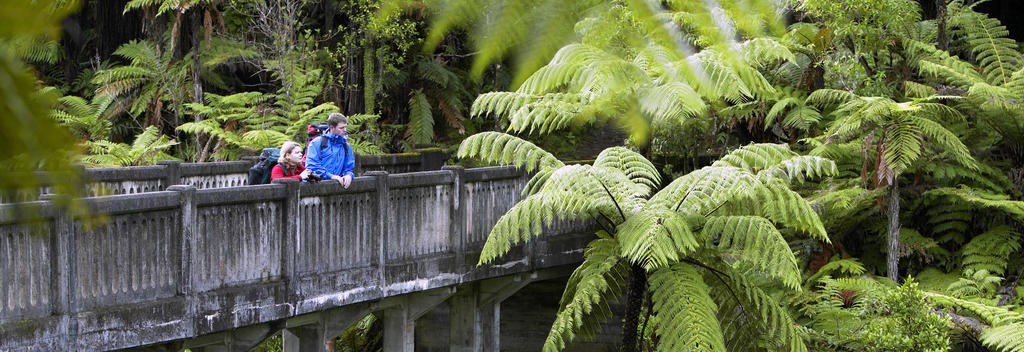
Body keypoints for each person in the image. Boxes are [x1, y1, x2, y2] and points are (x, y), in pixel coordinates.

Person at [305, 112, 355, 188]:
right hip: (317, 186)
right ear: (332, 128)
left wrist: (349, 175)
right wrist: (331, 176)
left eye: (345, 127)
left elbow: (349, 167)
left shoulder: (345, 146)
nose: (345, 130)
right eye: (341, 128)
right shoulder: (317, 143)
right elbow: (311, 165)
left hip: (336, 187)